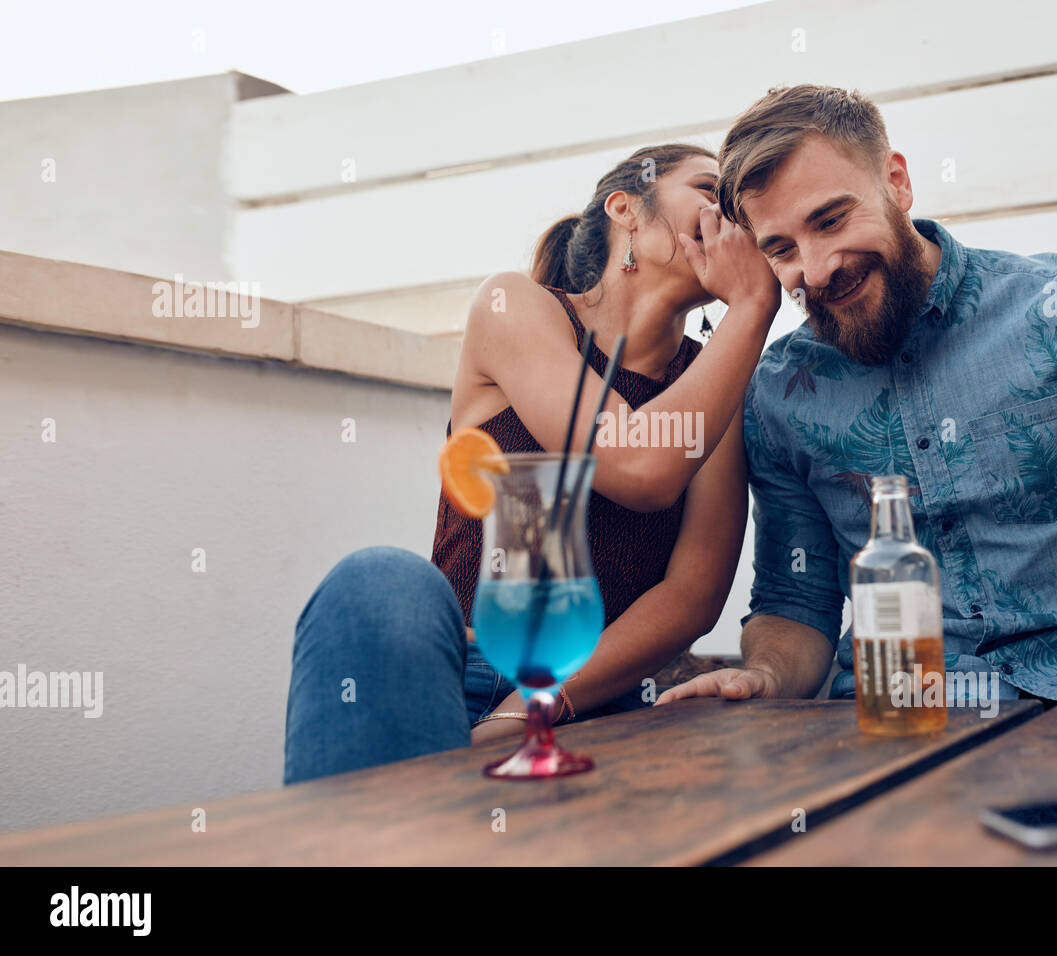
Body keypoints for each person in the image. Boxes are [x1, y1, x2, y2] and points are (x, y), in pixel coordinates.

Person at [657, 84, 1057, 710]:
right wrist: (764, 673)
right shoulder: (778, 394)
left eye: (832, 219)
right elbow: (796, 603)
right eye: (782, 249)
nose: (817, 269)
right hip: (893, 731)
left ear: (896, 182)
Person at [283, 144, 781, 785]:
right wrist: (750, 309)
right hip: (458, 673)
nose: (728, 217)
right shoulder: (516, 306)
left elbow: (691, 596)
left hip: (605, 696)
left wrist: (532, 709)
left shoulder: (718, 379)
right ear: (626, 210)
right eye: (710, 191)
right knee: (377, 579)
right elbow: (635, 463)